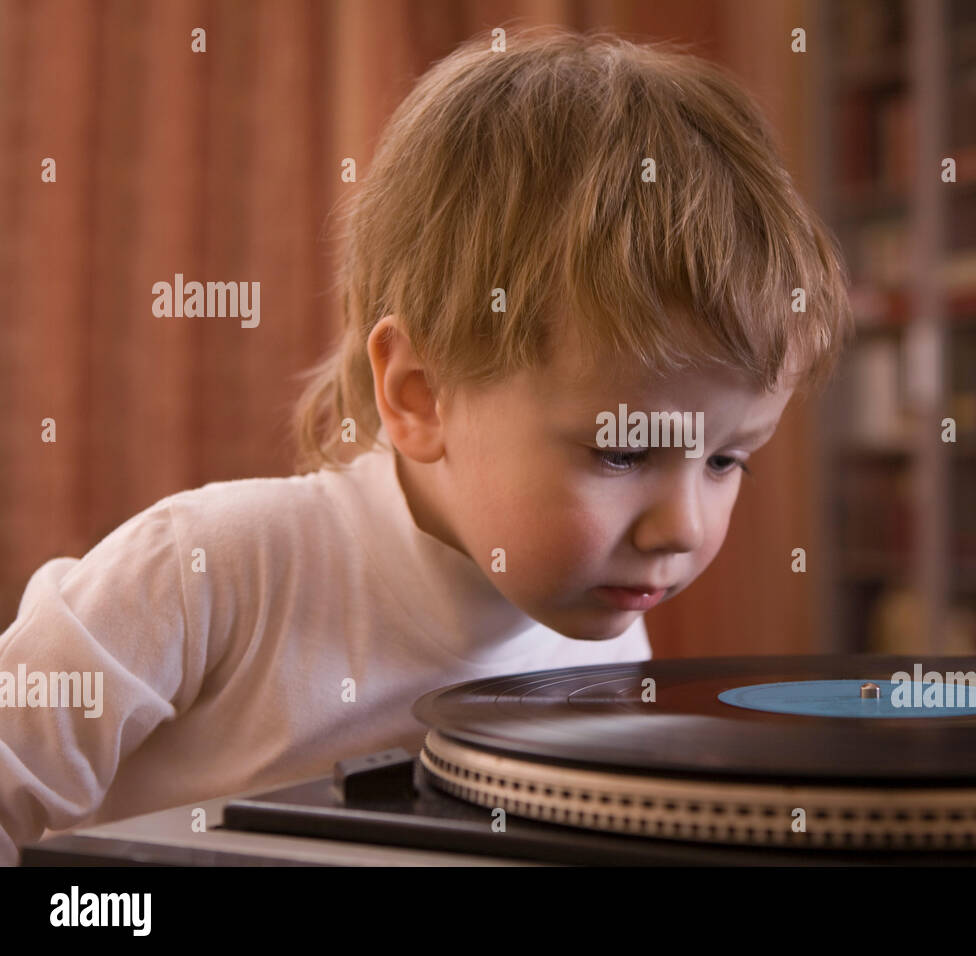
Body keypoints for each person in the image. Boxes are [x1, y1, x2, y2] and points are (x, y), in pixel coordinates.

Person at [0, 25, 850, 865]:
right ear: (419, 395)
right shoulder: (209, 574)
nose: (684, 529)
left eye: (726, 459)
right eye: (623, 452)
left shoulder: (608, 639)